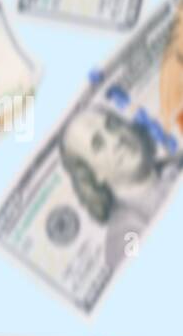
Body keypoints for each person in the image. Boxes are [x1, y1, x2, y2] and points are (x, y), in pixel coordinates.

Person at [58, 105, 183, 272]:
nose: (116, 140)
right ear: (94, 175)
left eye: (112, 126)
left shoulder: (175, 164)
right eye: (98, 145)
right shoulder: (124, 236)